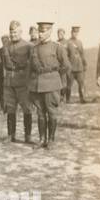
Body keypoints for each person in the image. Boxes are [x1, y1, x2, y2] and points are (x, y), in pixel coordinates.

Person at [28, 20, 70, 148]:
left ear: (50, 31)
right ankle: (42, 139)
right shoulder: (34, 48)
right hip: (37, 85)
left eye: (43, 31)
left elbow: (66, 66)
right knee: (40, 113)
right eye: (39, 31)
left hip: (51, 84)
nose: (40, 34)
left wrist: (54, 76)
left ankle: (51, 140)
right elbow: (31, 68)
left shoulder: (57, 47)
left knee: (51, 112)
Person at [1, 21, 34, 144]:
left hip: (23, 82)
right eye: (11, 32)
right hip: (9, 82)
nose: (12, 34)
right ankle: (11, 135)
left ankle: (28, 136)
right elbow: (4, 64)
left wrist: (29, 81)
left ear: (20, 32)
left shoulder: (28, 46)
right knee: (10, 109)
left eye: (15, 32)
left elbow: (32, 65)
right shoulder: (6, 46)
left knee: (27, 109)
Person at [67, 26, 87, 103]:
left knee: (81, 84)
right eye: (74, 32)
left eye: (76, 32)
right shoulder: (68, 42)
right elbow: (66, 55)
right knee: (69, 85)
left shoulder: (79, 42)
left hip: (79, 67)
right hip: (71, 68)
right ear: (71, 32)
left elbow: (82, 54)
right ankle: (67, 99)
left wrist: (84, 64)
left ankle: (82, 99)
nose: (75, 34)